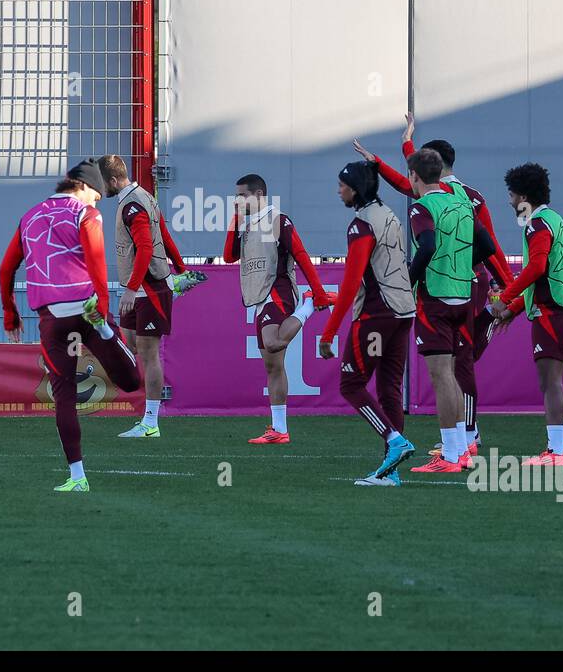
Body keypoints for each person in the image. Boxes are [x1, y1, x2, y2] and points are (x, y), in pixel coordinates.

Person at [354, 114, 514, 460]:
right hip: (468, 283)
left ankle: (466, 436)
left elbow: (408, 185)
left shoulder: (442, 198)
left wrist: (508, 291)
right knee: (458, 363)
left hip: (447, 285)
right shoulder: (467, 196)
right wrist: (401, 145)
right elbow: (490, 245)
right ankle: (463, 437)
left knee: (457, 365)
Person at [0, 159, 143, 491]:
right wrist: (102, 310)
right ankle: (105, 331)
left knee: (63, 399)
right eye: (96, 194)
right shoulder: (86, 214)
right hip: (87, 307)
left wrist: (10, 313)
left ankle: (77, 477)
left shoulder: (28, 217)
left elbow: (6, 270)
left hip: (51, 316)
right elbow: (96, 263)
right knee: (131, 381)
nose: (97, 200)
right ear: (82, 187)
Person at [317, 162, 417, 486]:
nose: (338, 190)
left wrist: (329, 332)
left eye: (342, 185)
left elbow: (351, 282)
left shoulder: (361, 225)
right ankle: (392, 472)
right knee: (389, 390)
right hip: (403, 310)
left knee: (351, 384)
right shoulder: (389, 214)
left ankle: (394, 441)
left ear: (355, 189)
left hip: (377, 314)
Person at [97, 154, 203, 439]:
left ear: (114, 180)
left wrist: (132, 289)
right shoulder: (143, 197)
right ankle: (175, 283)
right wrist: (180, 268)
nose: (100, 188)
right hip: (143, 285)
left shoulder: (132, 206)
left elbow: (146, 247)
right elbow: (163, 235)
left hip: (148, 288)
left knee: (148, 352)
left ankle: (150, 423)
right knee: (132, 343)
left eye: (102, 182)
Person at [224, 174, 332, 444]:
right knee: (273, 367)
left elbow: (302, 255)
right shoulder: (248, 225)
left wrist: (317, 293)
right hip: (258, 298)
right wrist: (236, 220)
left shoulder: (278, 220)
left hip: (278, 291)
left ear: (259, 194)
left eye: (242, 195)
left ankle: (307, 306)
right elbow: (228, 256)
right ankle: (280, 430)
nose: (238, 200)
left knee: (272, 344)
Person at [490, 163, 563, 466]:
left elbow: (537, 268)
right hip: (562, 306)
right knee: (550, 381)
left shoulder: (536, 223)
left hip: (553, 310)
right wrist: (514, 310)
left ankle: (557, 451)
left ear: (523, 196)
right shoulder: (552, 218)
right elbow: (542, 275)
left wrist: (503, 299)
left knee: (550, 381)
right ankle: (559, 448)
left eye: (511, 194)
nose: (508, 201)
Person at [401, 148, 475, 474]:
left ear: (414, 177)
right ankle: (460, 450)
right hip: (463, 294)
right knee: (452, 374)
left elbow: (427, 245)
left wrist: (408, 282)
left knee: (441, 375)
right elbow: (484, 243)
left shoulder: (422, 205)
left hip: (435, 298)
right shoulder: (460, 202)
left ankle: (449, 456)